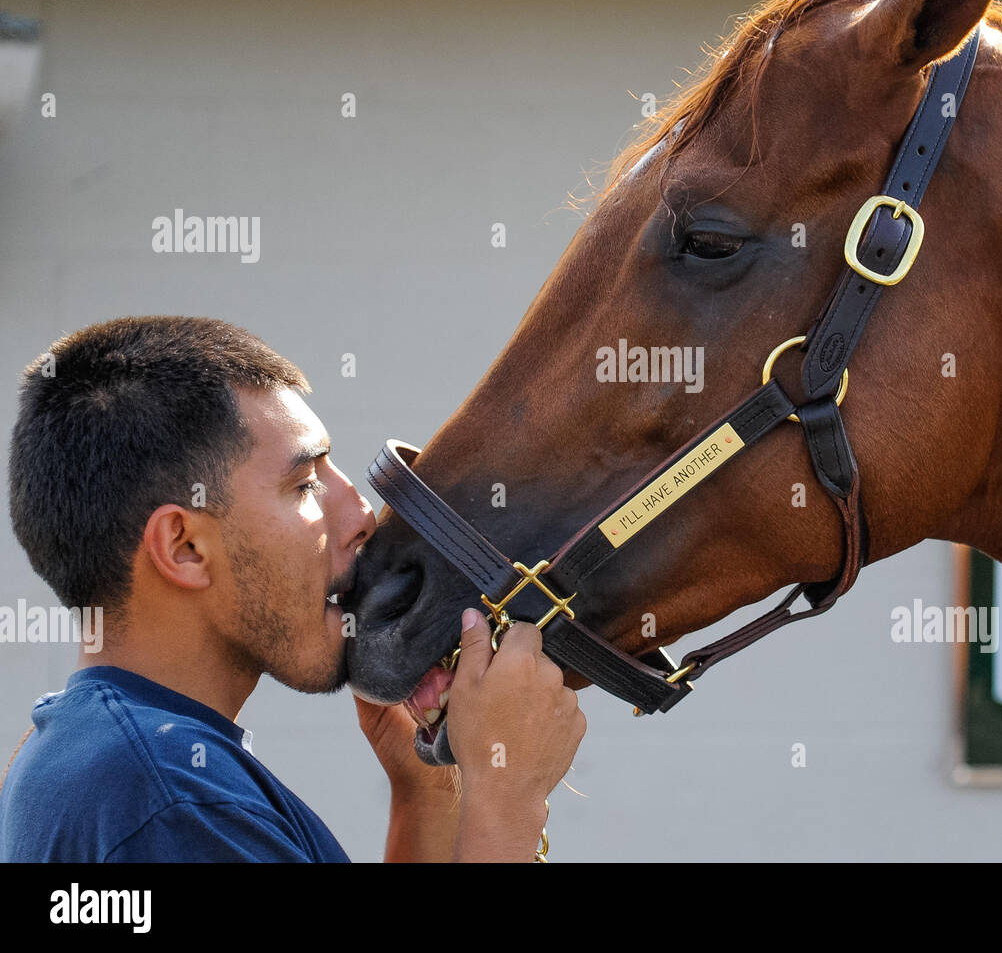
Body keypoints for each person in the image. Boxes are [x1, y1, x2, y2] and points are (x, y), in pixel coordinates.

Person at [0, 315, 584, 862]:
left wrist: (425, 789)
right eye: (305, 484)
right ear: (185, 546)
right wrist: (508, 799)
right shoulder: (171, 801)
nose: (362, 515)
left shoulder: (94, 754)